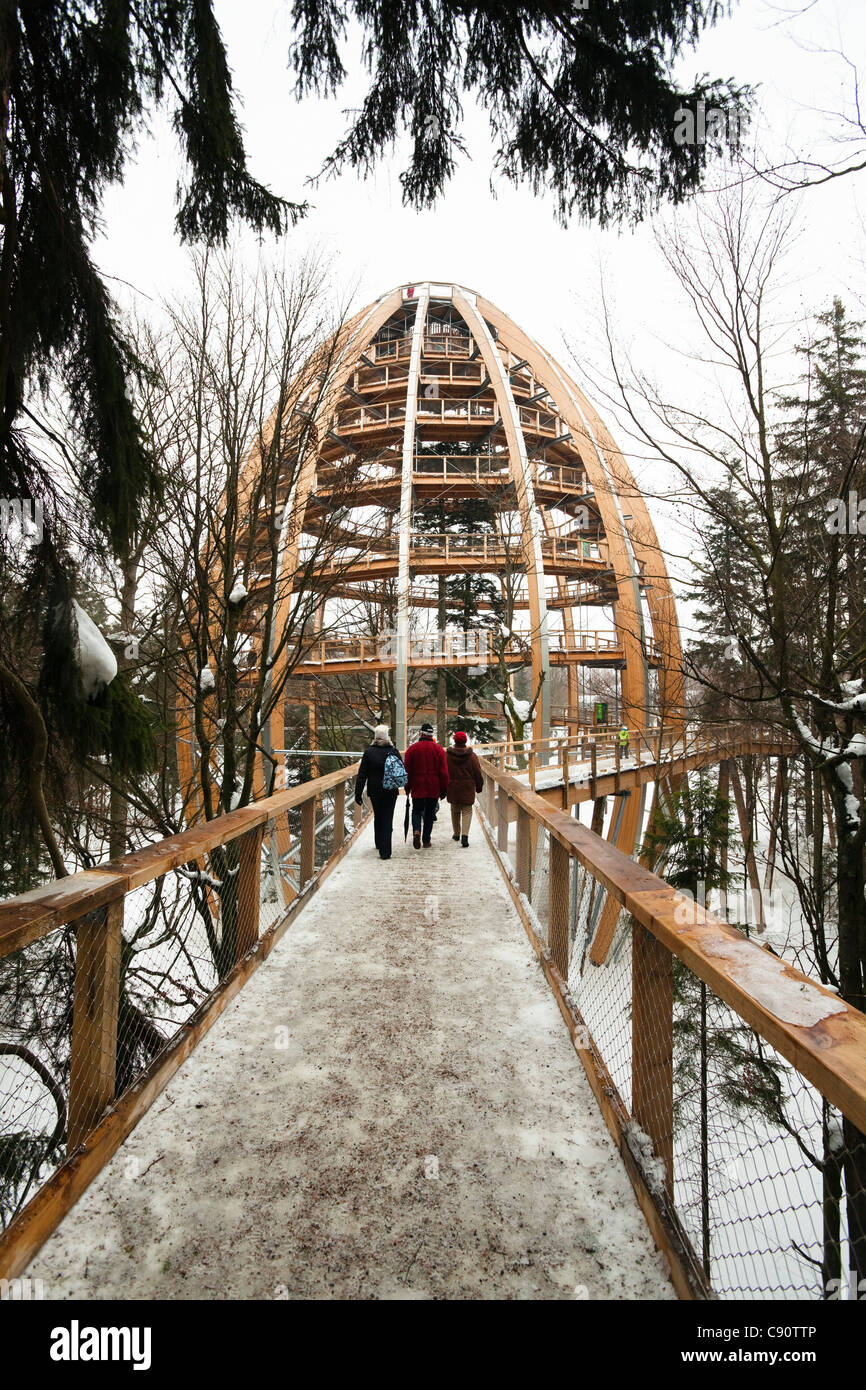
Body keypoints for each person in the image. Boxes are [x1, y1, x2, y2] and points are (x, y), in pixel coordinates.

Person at [355, 725, 405, 860]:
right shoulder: (393, 751)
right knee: (388, 818)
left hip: (375, 790)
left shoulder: (369, 752)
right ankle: (385, 851)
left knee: (378, 815)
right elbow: (401, 769)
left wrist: (358, 793)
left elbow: (362, 774)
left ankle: (378, 843)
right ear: (387, 737)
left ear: (375, 737)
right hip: (390, 790)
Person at [403, 722, 448, 848]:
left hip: (417, 786)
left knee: (416, 810)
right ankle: (426, 840)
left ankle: (416, 830)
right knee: (429, 813)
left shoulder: (412, 749)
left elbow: (407, 771)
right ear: (431, 734)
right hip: (433, 787)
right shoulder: (439, 750)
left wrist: (407, 787)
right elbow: (444, 772)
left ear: (421, 733)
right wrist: (444, 788)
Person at [445, 731, 483, 847]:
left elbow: (444, 771)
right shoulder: (471, 756)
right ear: (465, 741)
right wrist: (479, 786)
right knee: (467, 811)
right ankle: (465, 836)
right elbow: (477, 772)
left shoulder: (448, 755)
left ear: (455, 741)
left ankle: (456, 833)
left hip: (453, 787)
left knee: (455, 810)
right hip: (467, 787)